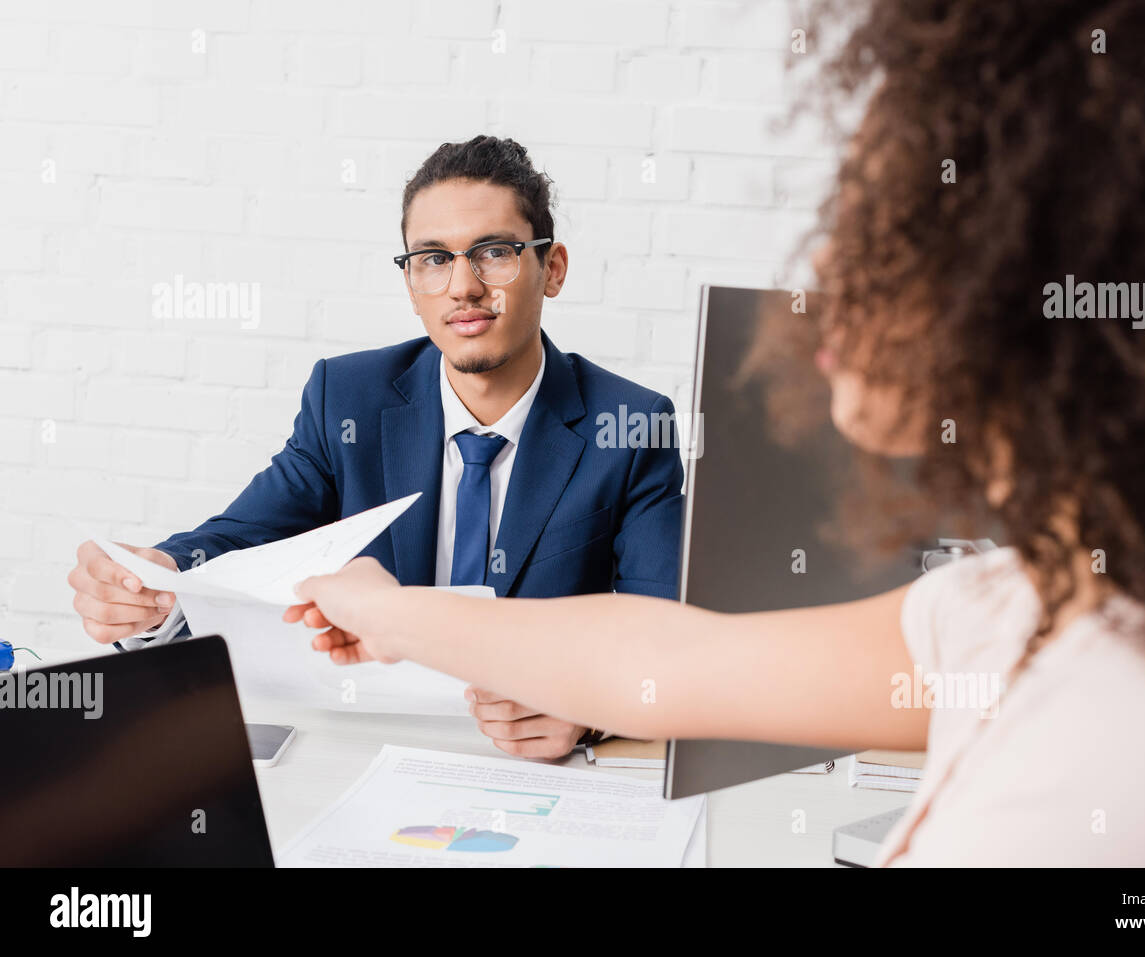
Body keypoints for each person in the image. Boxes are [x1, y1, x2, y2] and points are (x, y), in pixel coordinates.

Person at [285, 0, 1145, 865]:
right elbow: (677, 659)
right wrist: (395, 613)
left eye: (878, 222)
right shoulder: (1010, 603)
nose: (827, 264)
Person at [67, 135, 685, 759]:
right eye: (433, 259)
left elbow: (665, 637)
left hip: (540, 770)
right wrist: (159, 584)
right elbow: (243, 536)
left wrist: (587, 710)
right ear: (413, 282)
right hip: (370, 751)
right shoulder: (349, 399)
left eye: (494, 252)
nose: (463, 286)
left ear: (551, 269)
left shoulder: (631, 425)